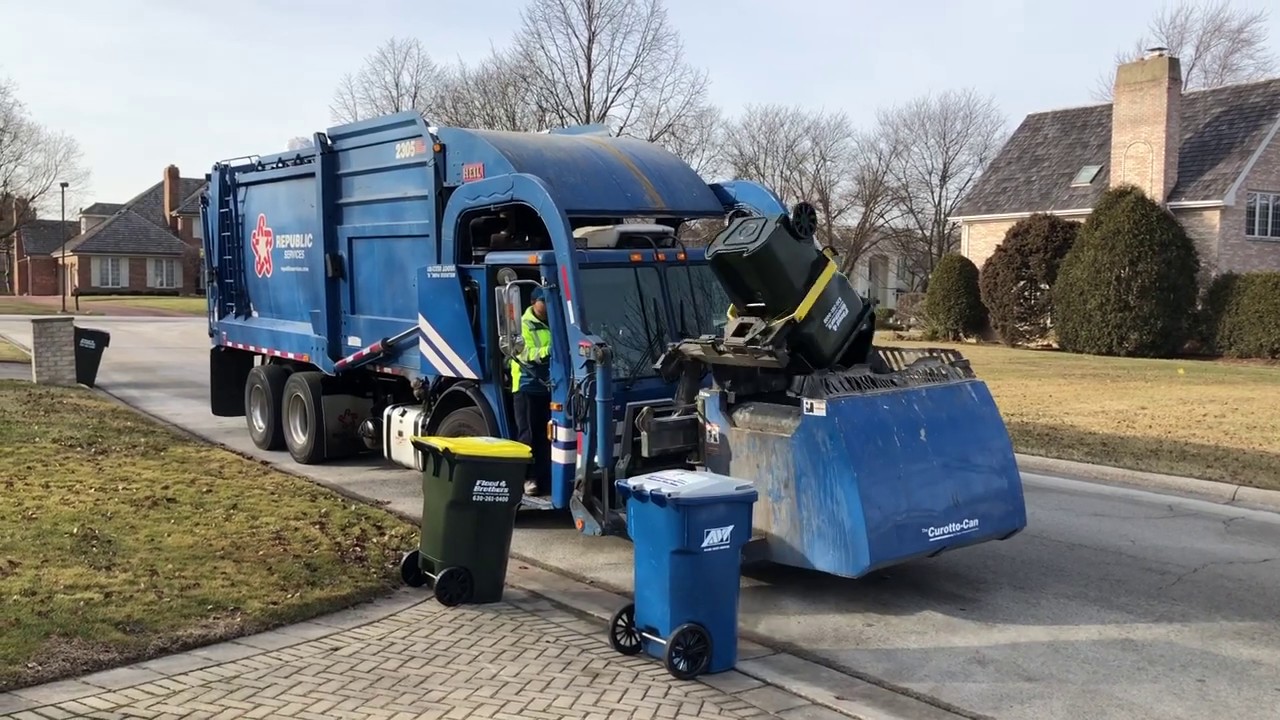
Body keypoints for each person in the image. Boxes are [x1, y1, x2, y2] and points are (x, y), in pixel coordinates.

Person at [512, 287, 552, 497]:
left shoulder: (554, 321)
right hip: (526, 385)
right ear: (534, 302)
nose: (547, 305)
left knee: (545, 436)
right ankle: (527, 479)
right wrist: (550, 351)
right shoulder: (523, 324)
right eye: (544, 301)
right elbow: (525, 354)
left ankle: (544, 477)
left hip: (548, 386)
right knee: (528, 436)